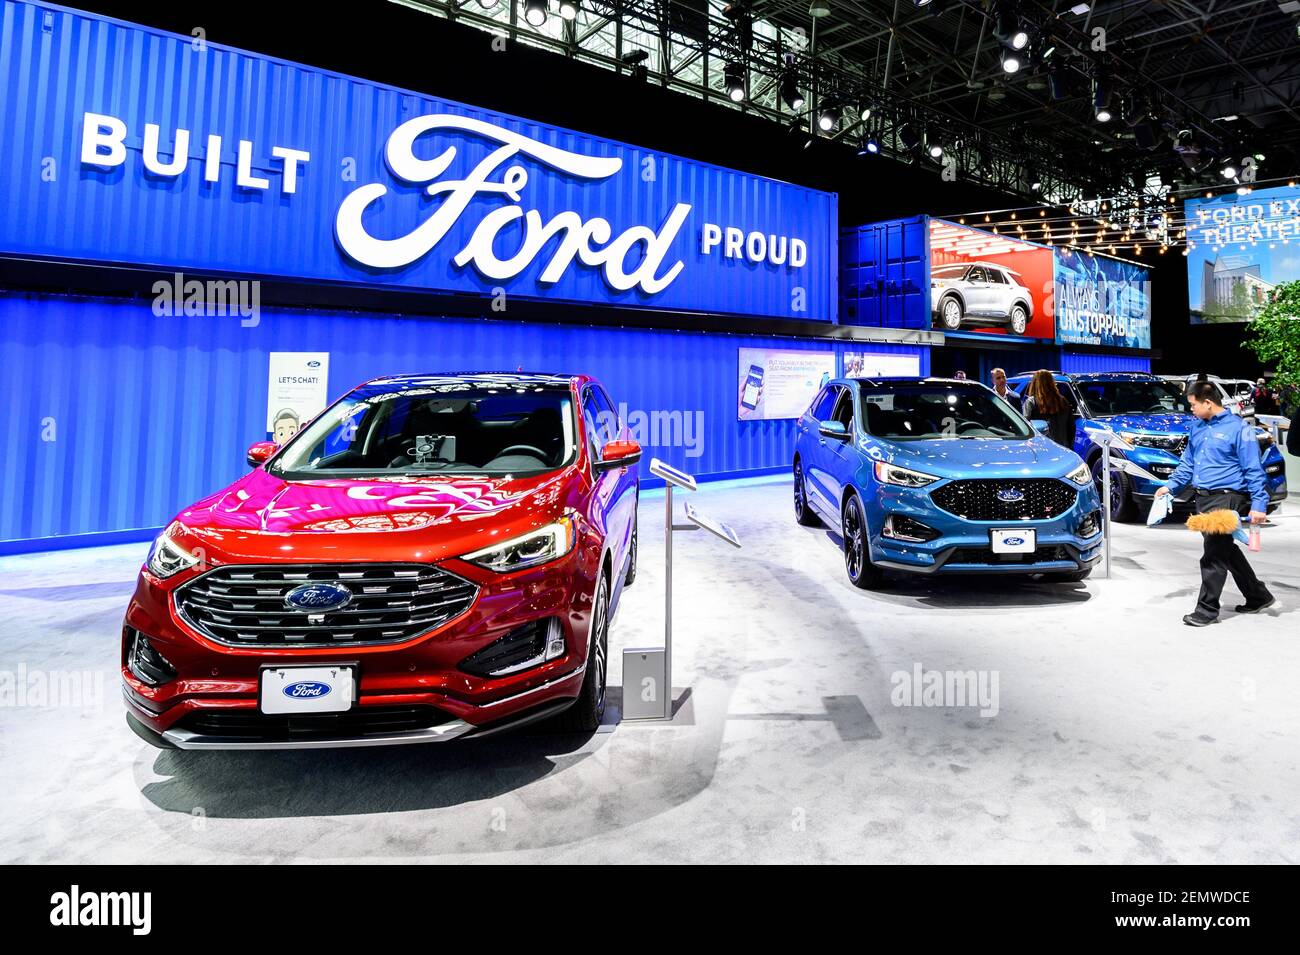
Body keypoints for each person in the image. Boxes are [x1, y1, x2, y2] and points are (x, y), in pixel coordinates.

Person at [1156, 380, 1274, 627]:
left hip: (1228, 496)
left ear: (1208, 402)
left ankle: (1207, 609)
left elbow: (1253, 468)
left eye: (1194, 405)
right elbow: (1188, 462)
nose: (1191, 410)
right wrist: (1171, 486)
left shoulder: (1239, 429)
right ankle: (1258, 595)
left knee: (1212, 555)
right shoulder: (1197, 426)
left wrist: (1260, 504)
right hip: (1204, 497)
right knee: (1224, 550)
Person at [1020, 369, 1074, 448]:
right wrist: (1070, 447)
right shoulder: (1063, 401)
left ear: (1035, 383)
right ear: (1052, 382)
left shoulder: (1031, 402)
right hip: (1063, 448)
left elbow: (1024, 427)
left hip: (1041, 448)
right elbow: (1071, 427)